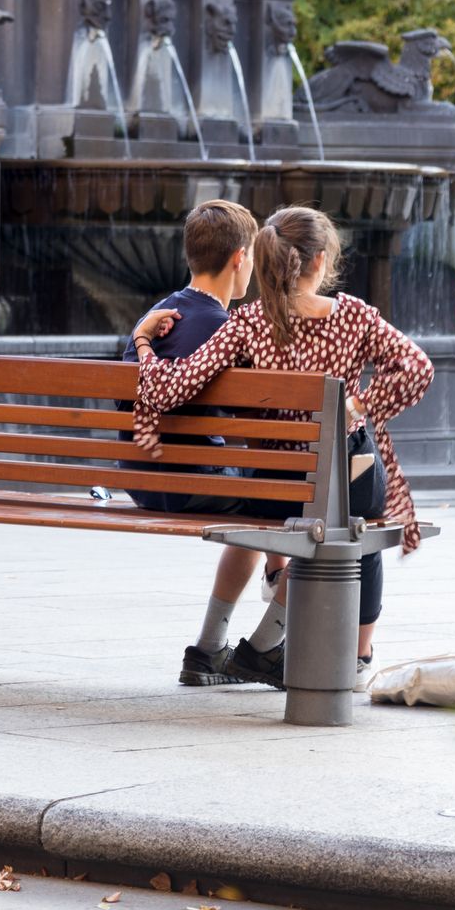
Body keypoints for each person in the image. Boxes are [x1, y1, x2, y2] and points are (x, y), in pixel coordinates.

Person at [131, 206, 434, 692]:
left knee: (325, 516)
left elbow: (169, 389)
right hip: (340, 487)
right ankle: (303, 650)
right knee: (359, 522)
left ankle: (240, 645)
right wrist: (356, 407)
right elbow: (418, 369)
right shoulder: (354, 316)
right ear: (320, 263)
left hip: (271, 490)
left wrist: (144, 343)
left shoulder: (247, 322)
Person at [120, 199, 289, 690]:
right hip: (195, 485)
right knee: (320, 511)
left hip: (144, 480)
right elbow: (266, 427)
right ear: (240, 258)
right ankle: (262, 647)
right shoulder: (226, 330)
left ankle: (208, 652)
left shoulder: (154, 319)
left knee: (261, 502)